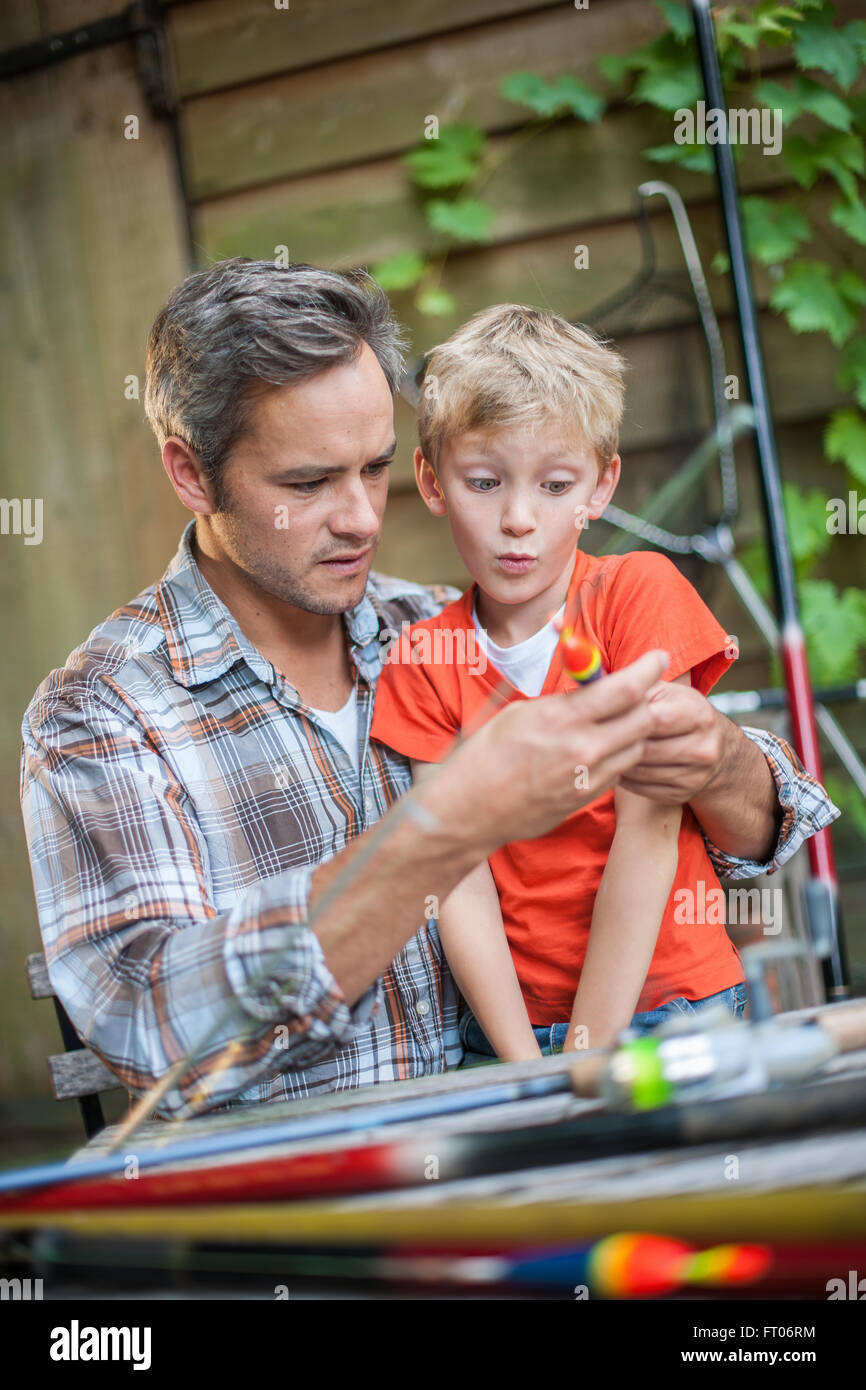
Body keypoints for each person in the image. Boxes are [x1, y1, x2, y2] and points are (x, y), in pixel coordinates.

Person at [19, 260, 838, 1118]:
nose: (365, 518)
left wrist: (720, 765)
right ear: (191, 474)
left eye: (374, 469)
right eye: (308, 483)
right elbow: (153, 1038)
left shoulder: (432, 623)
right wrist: (440, 834)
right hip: (329, 1204)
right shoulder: (103, 713)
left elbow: (753, 841)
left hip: (527, 1133)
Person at [372, 304, 770, 1064]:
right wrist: (524, 1072)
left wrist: (584, 1057)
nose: (518, 519)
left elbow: (648, 831)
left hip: (676, 1008)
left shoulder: (635, 596)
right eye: (484, 481)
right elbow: (455, 875)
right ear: (431, 481)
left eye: (556, 485)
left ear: (600, 486)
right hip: (514, 1036)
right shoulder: (423, 660)